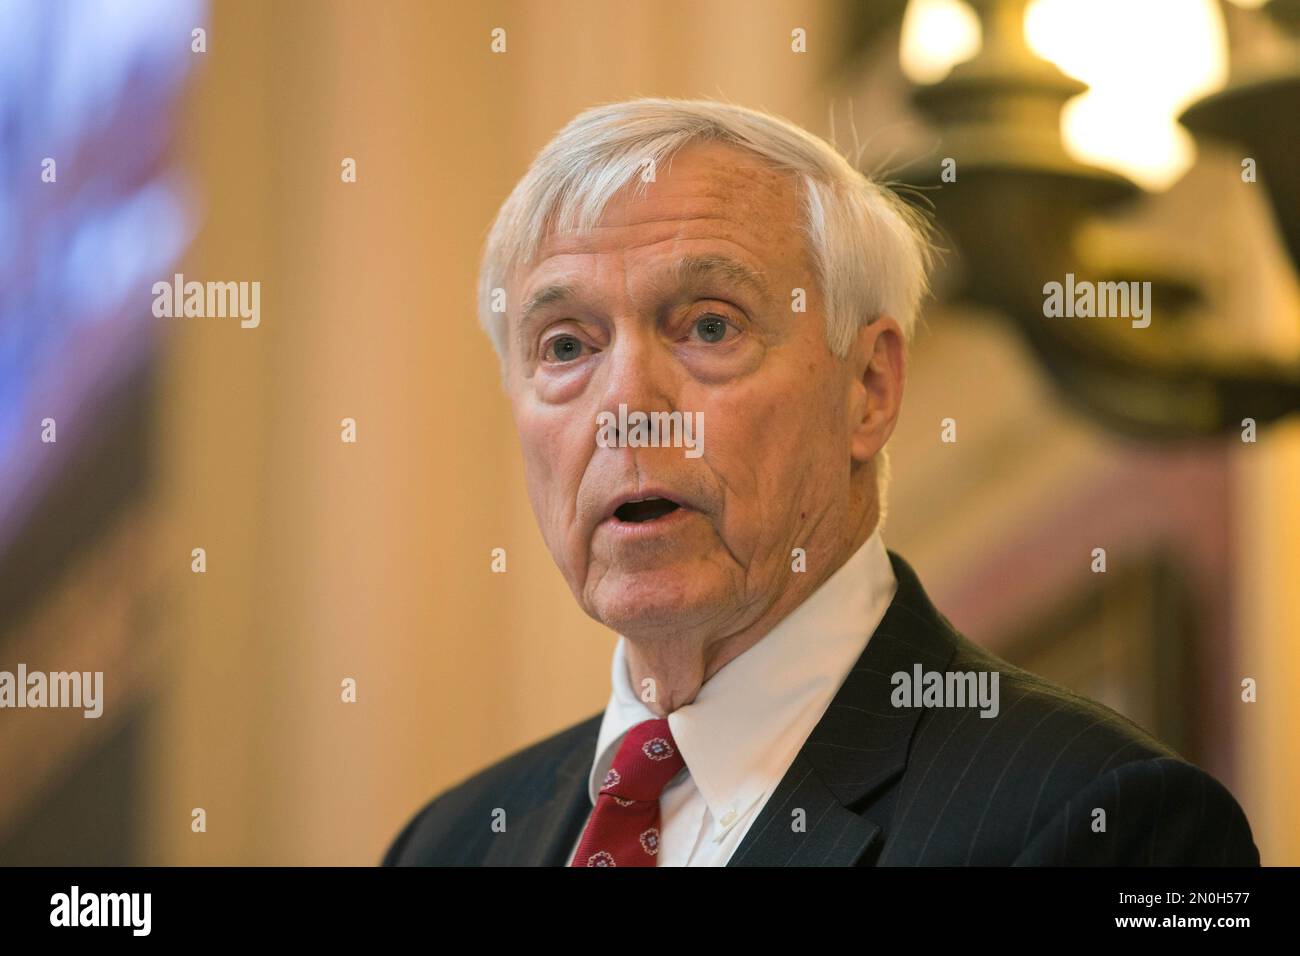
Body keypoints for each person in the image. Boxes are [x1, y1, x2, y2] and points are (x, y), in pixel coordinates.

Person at [383, 98, 1259, 866]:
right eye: (567, 346)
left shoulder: (1105, 822)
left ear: (868, 389)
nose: (627, 409)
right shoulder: (449, 844)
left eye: (709, 327)